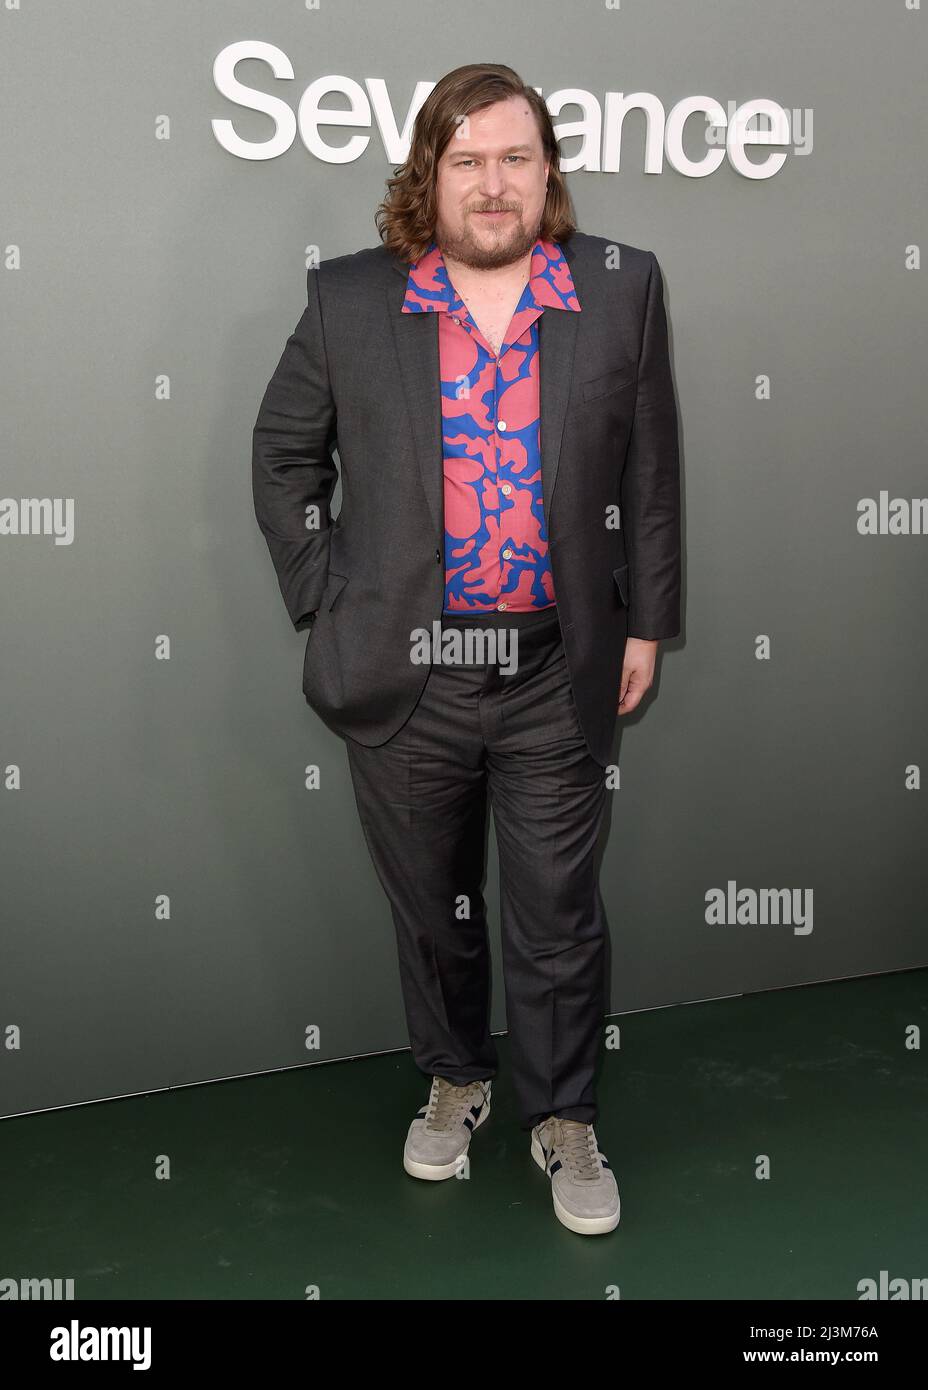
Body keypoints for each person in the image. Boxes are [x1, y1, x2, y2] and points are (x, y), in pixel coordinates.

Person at [252, 62, 681, 1236]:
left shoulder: (620, 286)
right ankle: (455, 1076)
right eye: (468, 160)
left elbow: (649, 470)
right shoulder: (351, 298)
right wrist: (328, 600)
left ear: (547, 173)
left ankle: (565, 1113)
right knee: (433, 912)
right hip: (406, 675)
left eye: (516, 158)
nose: (494, 184)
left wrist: (646, 620)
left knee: (558, 914)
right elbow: (285, 457)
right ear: (428, 176)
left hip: (555, 667)